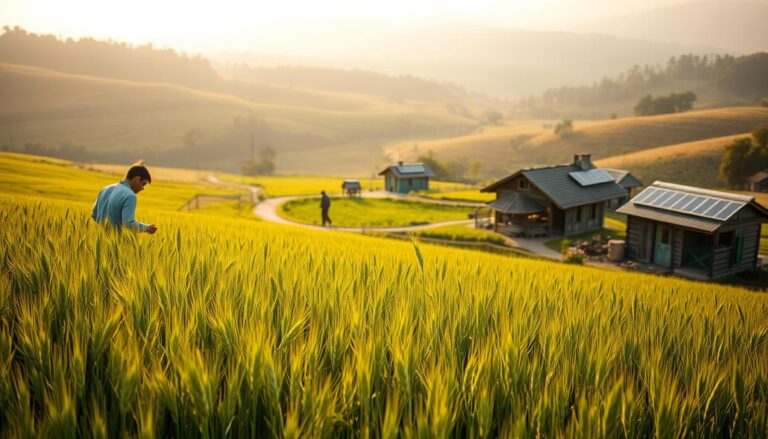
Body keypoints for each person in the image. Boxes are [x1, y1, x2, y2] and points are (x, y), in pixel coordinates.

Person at [91, 161, 158, 234]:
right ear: (137, 179)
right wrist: (147, 228)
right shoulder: (130, 196)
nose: (143, 188)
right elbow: (128, 224)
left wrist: (104, 229)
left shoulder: (105, 189)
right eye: (143, 184)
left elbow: (94, 215)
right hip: (115, 242)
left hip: (98, 240)